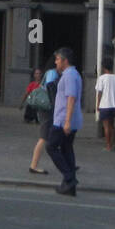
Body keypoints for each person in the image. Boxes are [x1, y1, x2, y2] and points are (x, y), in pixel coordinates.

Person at [47, 46, 82, 196]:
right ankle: (69, 186)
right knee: (67, 148)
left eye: (58, 59)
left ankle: (69, 177)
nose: (56, 62)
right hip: (68, 119)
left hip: (63, 120)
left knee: (51, 147)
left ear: (65, 61)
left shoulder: (69, 75)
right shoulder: (73, 74)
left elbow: (71, 97)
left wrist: (66, 121)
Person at [28, 62, 57, 175]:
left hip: (47, 108)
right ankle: (34, 165)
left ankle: (67, 162)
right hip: (47, 108)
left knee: (53, 136)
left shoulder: (52, 73)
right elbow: (50, 88)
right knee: (44, 137)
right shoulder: (52, 73)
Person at [95, 57, 115, 150]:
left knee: (106, 126)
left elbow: (99, 93)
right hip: (114, 105)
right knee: (112, 125)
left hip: (104, 105)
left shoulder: (101, 78)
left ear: (103, 67)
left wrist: (98, 104)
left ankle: (108, 145)